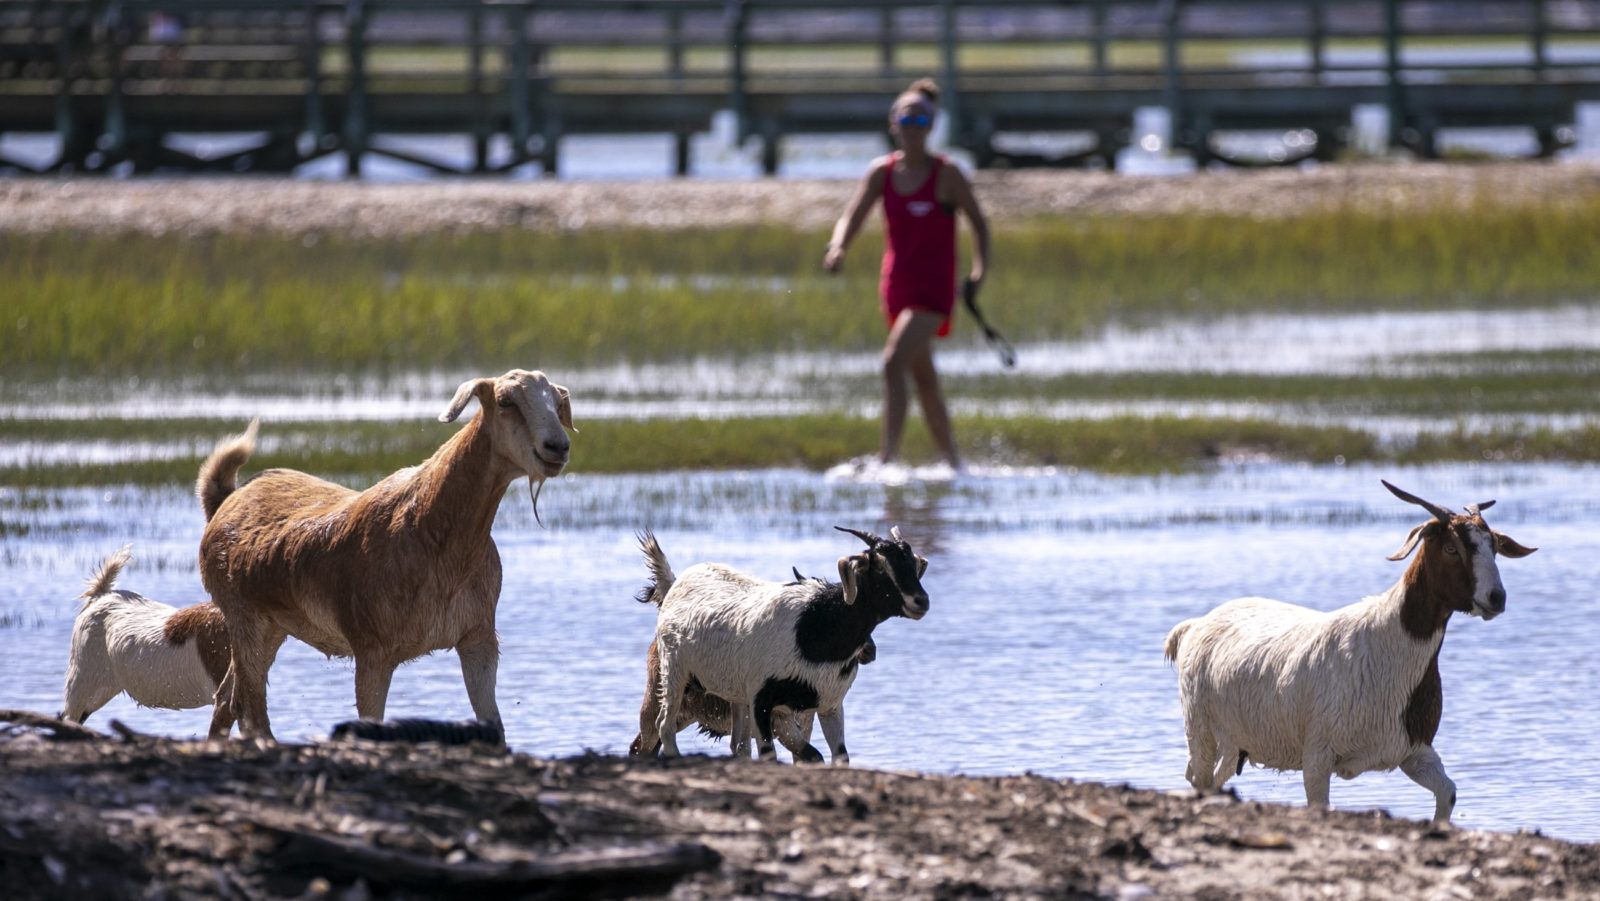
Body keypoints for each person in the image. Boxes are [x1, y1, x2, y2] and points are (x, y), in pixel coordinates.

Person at [824, 78, 989, 471]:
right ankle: (954, 466)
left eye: (922, 117)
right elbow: (853, 214)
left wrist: (979, 271)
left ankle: (886, 462)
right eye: (906, 117)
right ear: (893, 124)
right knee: (924, 380)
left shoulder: (947, 175)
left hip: (934, 292)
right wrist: (838, 246)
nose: (913, 124)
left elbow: (980, 223)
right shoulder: (881, 173)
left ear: (932, 125)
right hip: (896, 288)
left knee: (891, 363)